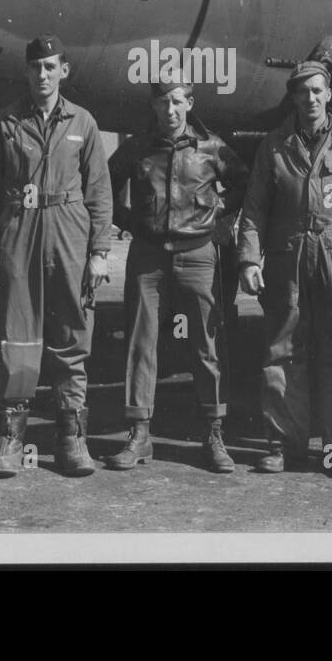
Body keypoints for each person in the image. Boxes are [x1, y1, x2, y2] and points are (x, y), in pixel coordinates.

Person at [0, 34, 113, 478]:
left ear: (64, 71)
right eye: (36, 67)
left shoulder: (84, 123)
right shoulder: (4, 123)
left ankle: (72, 437)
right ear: (27, 71)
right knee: (17, 335)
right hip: (19, 231)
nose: (43, 74)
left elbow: (99, 191)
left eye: (51, 67)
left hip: (69, 231)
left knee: (72, 334)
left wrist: (99, 251)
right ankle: (11, 437)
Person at [237, 61, 332, 477]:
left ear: (329, 94)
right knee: (283, 350)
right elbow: (255, 209)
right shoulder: (274, 145)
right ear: (293, 97)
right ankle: (283, 445)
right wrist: (248, 258)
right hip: (288, 257)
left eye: (317, 91)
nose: (310, 99)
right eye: (302, 93)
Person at [105, 78, 248, 473]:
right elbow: (104, 185)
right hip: (148, 256)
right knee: (140, 342)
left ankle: (214, 434)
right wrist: (128, 220)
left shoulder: (211, 147)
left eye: (177, 102)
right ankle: (138, 435)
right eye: (162, 103)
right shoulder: (137, 147)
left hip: (199, 254)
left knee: (207, 343)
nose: (170, 110)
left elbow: (243, 181)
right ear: (153, 106)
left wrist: (217, 211)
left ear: (189, 104)